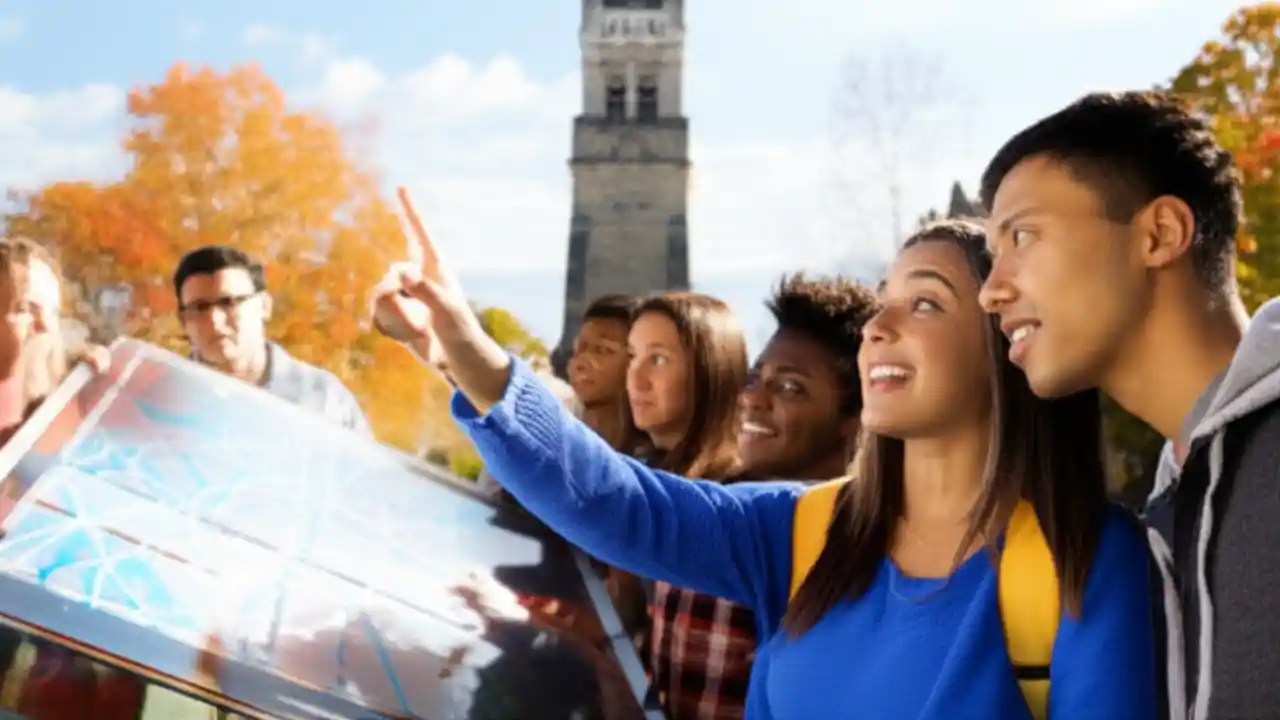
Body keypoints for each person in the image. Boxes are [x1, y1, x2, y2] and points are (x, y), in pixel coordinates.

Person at [372, 190, 1157, 719]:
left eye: (924, 302)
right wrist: (463, 345)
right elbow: (612, 500)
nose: (879, 326)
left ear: (1007, 343)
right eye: (882, 299)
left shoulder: (1087, 561)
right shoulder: (801, 532)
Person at [978, 90, 1279, 720]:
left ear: (1160, 234)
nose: (992, 291)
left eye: (1023, 235)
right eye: (991, 254)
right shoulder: (1168, 515)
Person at [173, 245, 371, 434]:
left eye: (228, 303)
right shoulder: (165, 400)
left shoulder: (324, 400)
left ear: (264, 306)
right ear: (182, 320)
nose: (215, 320)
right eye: (199, 308)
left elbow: (366, 468)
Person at [737, 273, 874, 481]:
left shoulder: (878, 512)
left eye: (790, 388)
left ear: (856, 419)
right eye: (753, 379)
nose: (752, 399)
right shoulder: (715, 503)